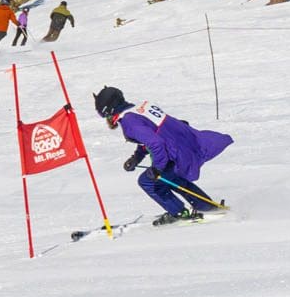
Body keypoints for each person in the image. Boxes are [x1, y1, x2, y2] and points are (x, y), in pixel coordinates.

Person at [93, 87, 234, 225]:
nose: (105, 119)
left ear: (110, 110)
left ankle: (180, 213)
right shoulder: (140, 107)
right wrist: (137, 157)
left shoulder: (130, 123)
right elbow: (152, 134)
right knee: (171, 178)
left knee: (148, 181)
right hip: (187, 143)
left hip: (179, 152)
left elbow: (156, 143)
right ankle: (206, 207)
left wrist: (157, 168)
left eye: (102, 114)